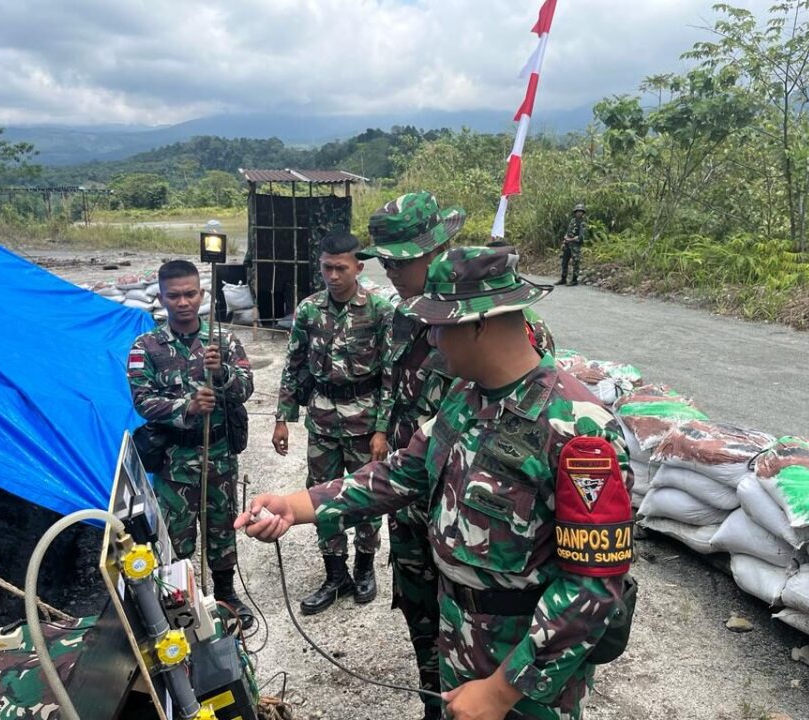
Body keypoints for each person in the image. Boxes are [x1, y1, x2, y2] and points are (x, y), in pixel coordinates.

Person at [239, 246, 634, 720]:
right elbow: (402, 471)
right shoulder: (465, 396)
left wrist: (501, 691)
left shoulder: (580, 431)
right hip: (458, 631)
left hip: (524, 665)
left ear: (479, 323)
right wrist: (295, 506)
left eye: (440, 326)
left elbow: (593, 589)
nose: (432, 338)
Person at [356, 191, 463, 720]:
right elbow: (394, 386)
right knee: (419, 610)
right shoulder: (404, 315)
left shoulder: (487, 320)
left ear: (439, 249)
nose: (392, 272)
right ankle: (432, 702)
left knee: (468, 622)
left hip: (464, 510)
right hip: (408, 499)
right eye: (386, 262)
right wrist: (382, 432)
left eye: (402, 261)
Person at [272, 231, 393, 615]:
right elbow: (293, 365)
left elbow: (390, 374)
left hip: (365, 419)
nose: (334, 276)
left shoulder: (378, 310)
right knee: (321, 495)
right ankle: (335, 573)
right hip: (323, 418)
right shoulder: (309, 310)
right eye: (327, 268)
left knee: (367, 496)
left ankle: (364, 567)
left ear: (359, 267)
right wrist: (282, 418)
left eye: (341, 268)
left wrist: (383, 429)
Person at [127, 259, 254, 623]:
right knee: (176, 536)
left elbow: (246, 388)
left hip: (220, 455)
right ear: (161, 298)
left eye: (190, 294)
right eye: (174, 296)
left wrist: (222, 373)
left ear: (202, 294)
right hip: (174, 459)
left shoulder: (223, 341)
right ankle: (183, 605)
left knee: (222, 527)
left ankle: (226, 595)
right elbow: (142, 400)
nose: (183, 302)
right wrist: (188, 406)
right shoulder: (146, 346)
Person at [557, 203, 587, 286]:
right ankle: (563, 278)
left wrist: (570, 239)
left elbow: (581, 237)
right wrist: (565, 240)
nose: (579, 213)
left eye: (580, 212)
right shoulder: (572, 221)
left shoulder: (582, 224)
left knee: (575, 263)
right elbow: (568, 231)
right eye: (577, 211)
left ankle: (574, 280)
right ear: (575, 212)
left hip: (575, 246)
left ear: (583, 213)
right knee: (564, 262)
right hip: (567, 245)